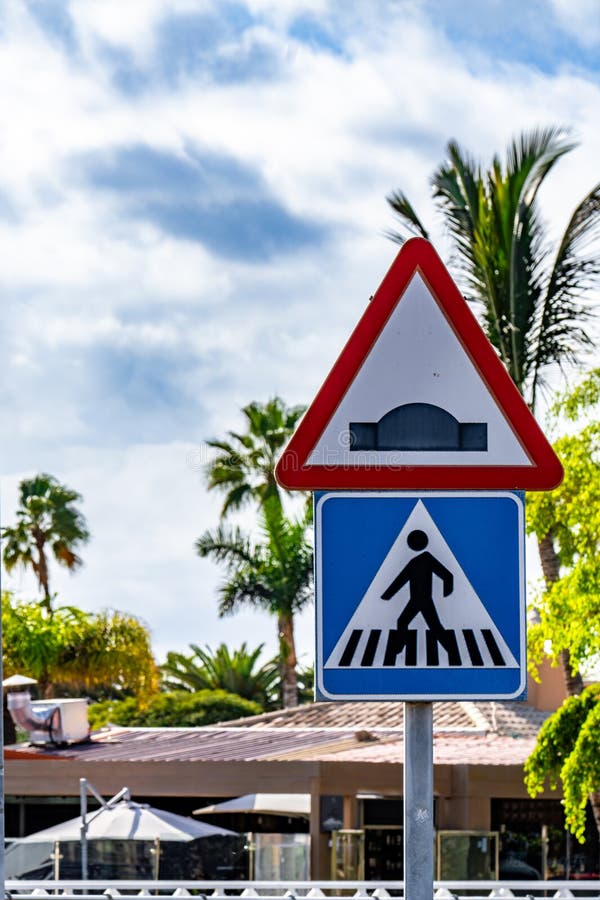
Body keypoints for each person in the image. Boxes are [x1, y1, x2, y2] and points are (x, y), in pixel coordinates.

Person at [381, 529, 453, 635]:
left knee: (432, 626)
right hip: (416, 600)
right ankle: (399, 647)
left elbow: (447, 575)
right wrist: (387, 595)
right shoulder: (416, 562)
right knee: (405, 622)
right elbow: (401, 579)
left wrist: (447, 591)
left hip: (422, 600)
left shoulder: (426, 559)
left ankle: (452, 650)